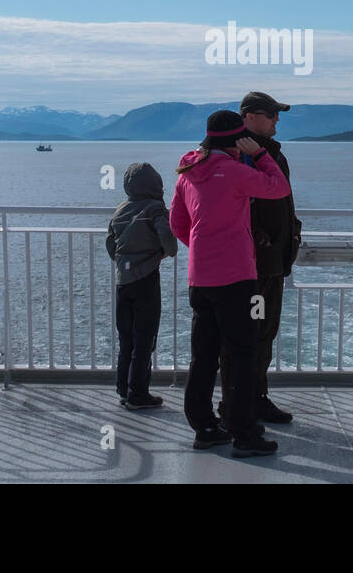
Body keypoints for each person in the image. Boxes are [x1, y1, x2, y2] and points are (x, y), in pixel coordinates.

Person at [169, 110, 291, 458]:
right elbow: (278, 188)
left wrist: (206, 249)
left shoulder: (187, 174)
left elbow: (178, 224)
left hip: (200, 279)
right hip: (237, 278)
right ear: (237, 142)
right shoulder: (237, 171)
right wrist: (261, 154)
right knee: (242, 353)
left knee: (203, 354)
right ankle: (244, 433)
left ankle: (205, 427)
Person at [219, 91, 301, 427]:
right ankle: (236, 404)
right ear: (249, 116)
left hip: (271, 263)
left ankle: (255, 397)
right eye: (271, 114)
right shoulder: (238, 154)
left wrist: (290, 234)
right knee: (247, 334)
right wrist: (261, 243)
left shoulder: (267, 152)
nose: (276, 120)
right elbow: (234, 202)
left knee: (264, 331)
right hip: (253, 265)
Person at [106, 162, 176, 409]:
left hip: (122, 282)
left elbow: (110, 244)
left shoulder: (120, 210)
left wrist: (123, 261)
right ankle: (138, 394)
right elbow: (167, 237)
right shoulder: (155, 208)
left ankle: (123, 388)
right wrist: (167, 252)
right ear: (156, 184)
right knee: (145, 339)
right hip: (146, 279)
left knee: (126, 338)